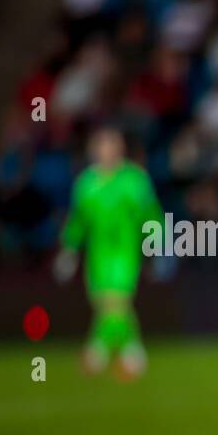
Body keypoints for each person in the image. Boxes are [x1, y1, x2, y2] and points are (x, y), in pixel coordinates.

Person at [54, 126, 163, 380]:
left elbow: (151, 215)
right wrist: (68, 250)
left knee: (116, 301)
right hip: (98, 254)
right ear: (94, 151)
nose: (107, 151)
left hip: (125, 251)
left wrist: (157, 244)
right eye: (102, 146)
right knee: (105, 304)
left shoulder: (135, 180)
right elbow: (78, 221)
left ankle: (97, 351)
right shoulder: (86, 184)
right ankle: (131, 350)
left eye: (112, 145)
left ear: (120, 149)